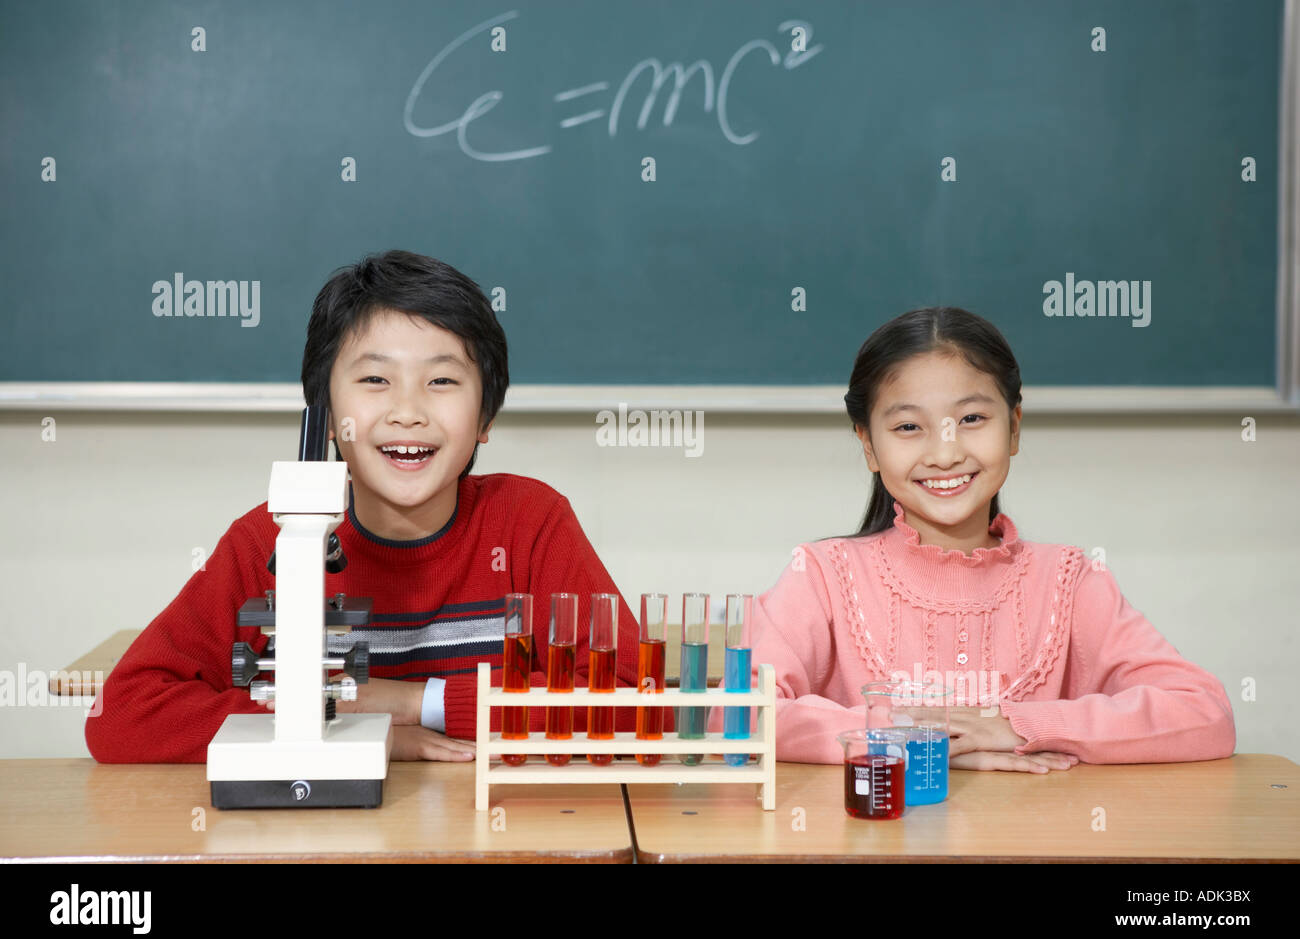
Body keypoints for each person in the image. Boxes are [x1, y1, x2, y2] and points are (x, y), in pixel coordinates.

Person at [86, 250, 639, 763]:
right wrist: (349, 729)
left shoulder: (528, 522)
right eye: (375, 379)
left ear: (485, 418)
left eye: (442, 380)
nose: (407, 411)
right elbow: (124, 714)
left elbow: (634, 699)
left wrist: (410, 703)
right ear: (325, 415)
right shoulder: (271, 541)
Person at [750, 307, 1235, 770]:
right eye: (908, 427)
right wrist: (925, 740)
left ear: (1015, 427)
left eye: (972, 419)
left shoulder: (1069, 581)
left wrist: (1013, 725)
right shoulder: (821, 575)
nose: (945, 453)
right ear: (868, 445)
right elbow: (741, 716)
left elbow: (1204, 713)